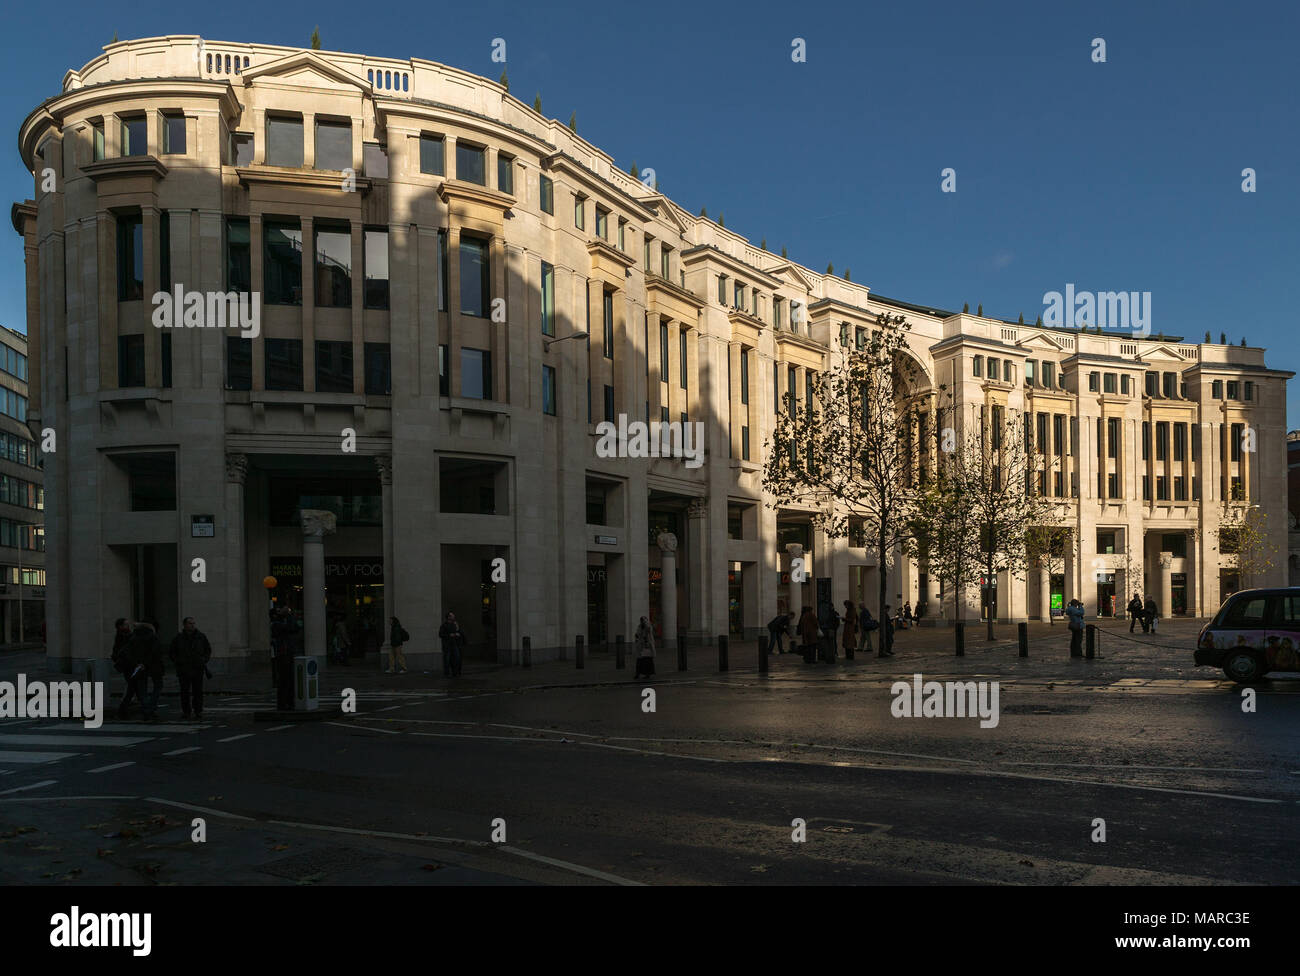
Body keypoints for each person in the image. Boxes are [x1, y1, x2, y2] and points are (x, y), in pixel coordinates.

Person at [169, 617, 213, 720]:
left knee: (198, 691)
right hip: (184, 668)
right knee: (185, 692)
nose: (192, 625)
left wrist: (204, 660)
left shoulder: (200, 637)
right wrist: (178, 662)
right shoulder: (178, 638)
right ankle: (186, 711)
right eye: (190, 623)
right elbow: (172, 652)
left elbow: (207, 649)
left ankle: (198, 711)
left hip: (197, 667)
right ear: (184, 625)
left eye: (193, 623)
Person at [123, 618, 165, 722]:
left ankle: (147, 709)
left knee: (142, 690)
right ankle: (150, 709)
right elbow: (156, 652)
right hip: (153, 665)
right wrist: (145, 663)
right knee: (157, 686)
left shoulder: (134, 637)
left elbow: (128, 653)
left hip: (139, 666)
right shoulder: (152, 637)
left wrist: (138, 663)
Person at [111, 618, 141, 719]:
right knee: (132, 687)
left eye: (128, 625)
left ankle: (143, 708)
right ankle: (122, 710)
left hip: (128, 665)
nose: (128, 626)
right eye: (126, 625)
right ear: (120, 626)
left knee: (134, 687)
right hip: (129, 665)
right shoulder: (124, 637)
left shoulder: (122, 636)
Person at [437, 612, 462, 677]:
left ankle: (455, 672)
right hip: (447, 645)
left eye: (453, 615)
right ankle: (447, 673)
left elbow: (458, 632)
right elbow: (440, 634)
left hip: (454, 644)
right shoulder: (444, 625)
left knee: (456, 658)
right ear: (448, 617)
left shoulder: (454, 624)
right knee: (447, 660)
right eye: (452, 616)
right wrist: (450, 635)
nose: (454, 616)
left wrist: (457, 633)